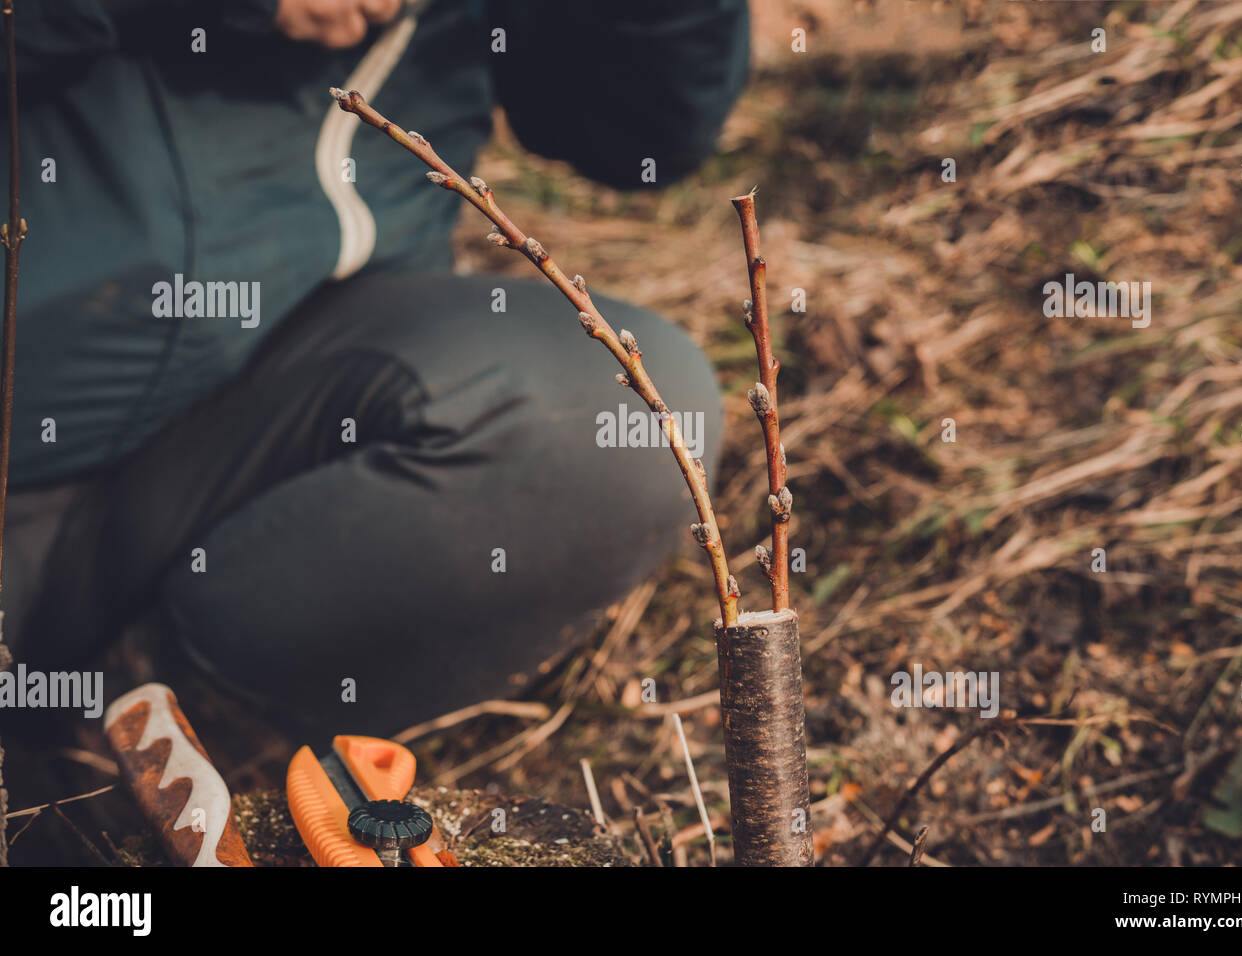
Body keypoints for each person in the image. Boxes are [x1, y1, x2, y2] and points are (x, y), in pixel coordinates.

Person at [0, 0, 749, 736]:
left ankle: (153, 757)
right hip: (29, 432)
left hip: (247, 442)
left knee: (611, 418)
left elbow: (643, 132)